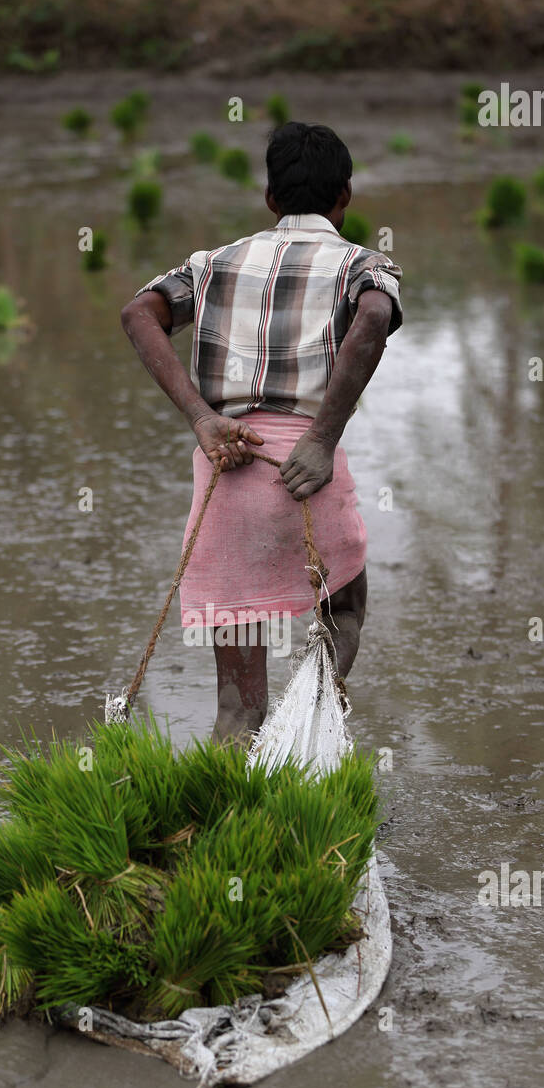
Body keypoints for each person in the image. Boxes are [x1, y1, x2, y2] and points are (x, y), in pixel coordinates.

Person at [120, 120, 402, 743]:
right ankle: (309, 730)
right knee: (345, 604)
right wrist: (323, 438)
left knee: (238, 707)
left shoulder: (213, 263)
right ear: (345, 196)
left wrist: (202, 417)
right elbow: (376, 317)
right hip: (308, 469)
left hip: (227, 467)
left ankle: (228, 806)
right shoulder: (364, 266)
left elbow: (138, 312)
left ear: (271, 199)